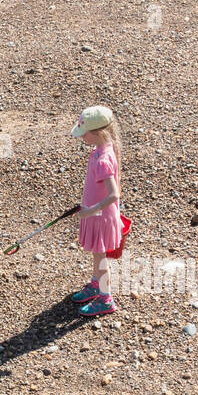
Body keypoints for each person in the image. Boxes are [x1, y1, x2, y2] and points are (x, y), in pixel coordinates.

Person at [69, 105, 125, 317]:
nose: (82, 138)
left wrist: (91, 210)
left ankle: (105, 297)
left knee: (101, 259)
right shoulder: (105, 148)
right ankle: (95, 285)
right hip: (97, 215)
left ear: (98, 133)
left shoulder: (103, 159)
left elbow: (113, 194)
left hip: (99, 217)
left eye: (85, 134)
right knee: (97, 254)